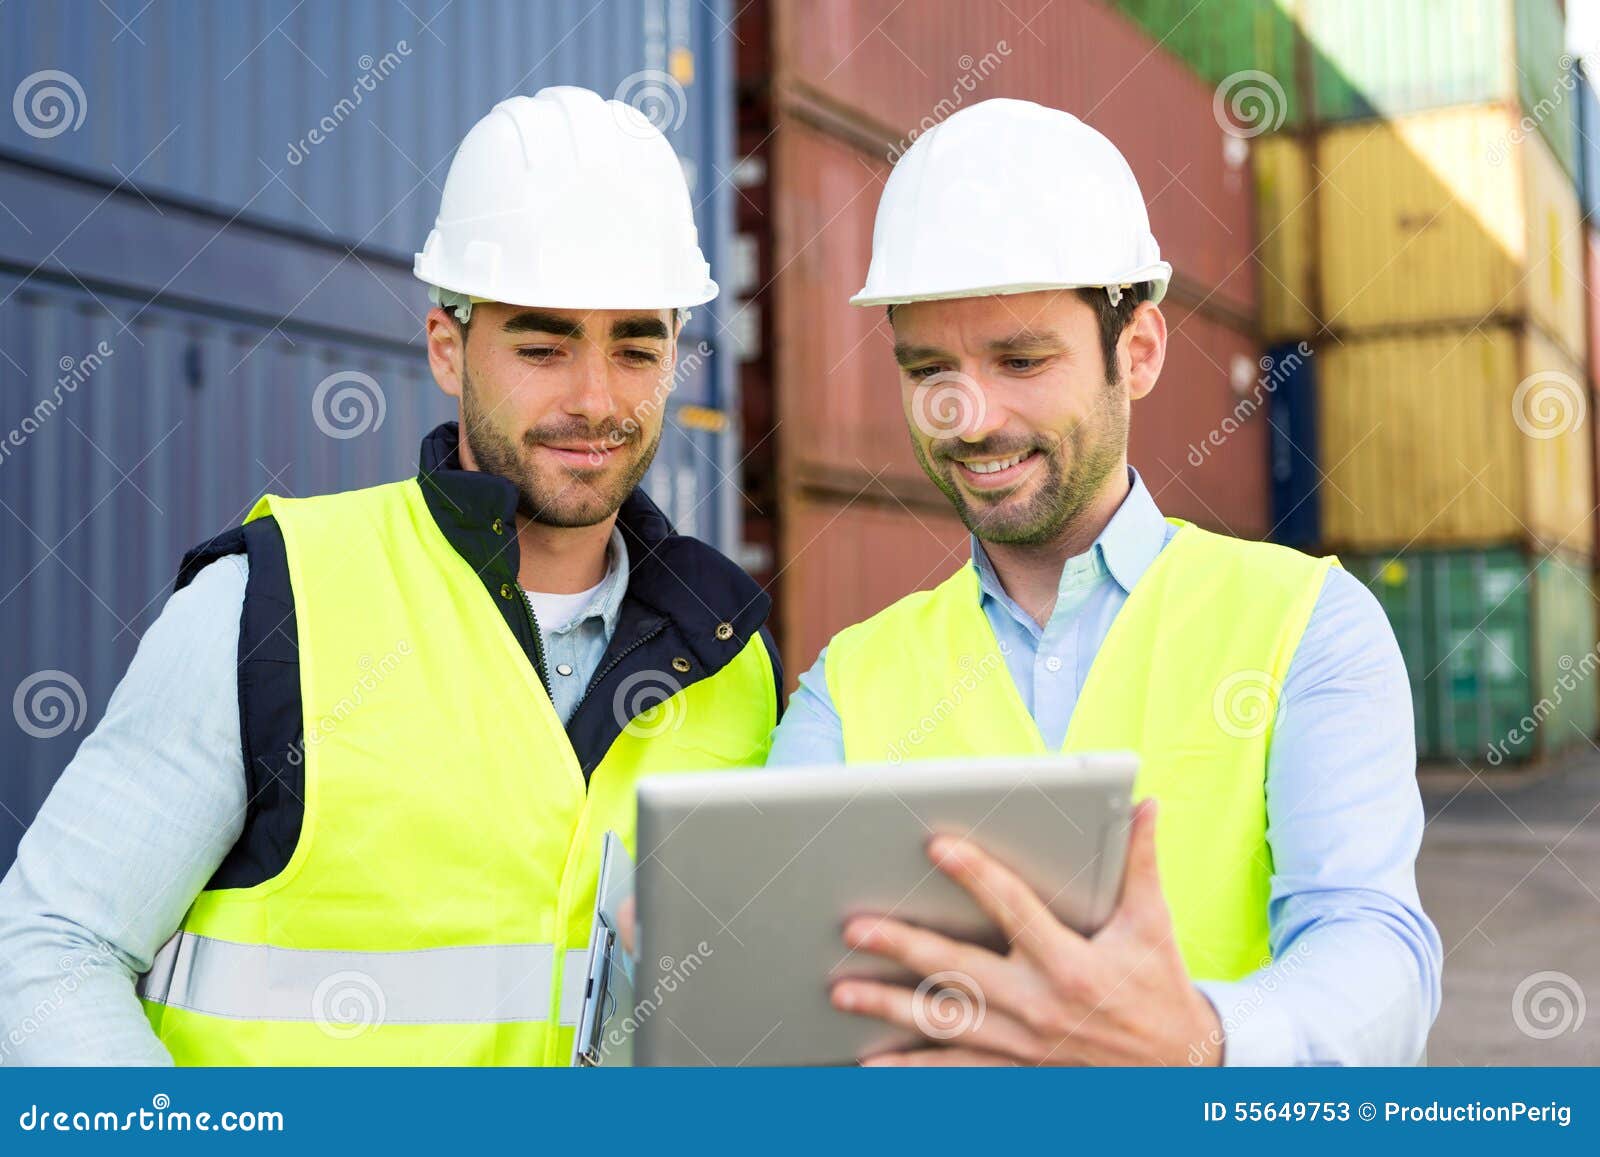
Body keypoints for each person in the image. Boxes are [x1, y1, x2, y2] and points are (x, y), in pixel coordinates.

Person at [0, 86, 781, 1066]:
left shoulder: (732, 658)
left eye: (636, 346)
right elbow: (48, 951)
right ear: (447, 350)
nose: (595, 398)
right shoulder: (269, 607)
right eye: (542, 346)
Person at [767, 97, 1441, 1066]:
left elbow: (1375, 946)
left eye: (1021, 359)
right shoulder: (850, 680)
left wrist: (1203, 1040)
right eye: (929, 368)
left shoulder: (1307, 625)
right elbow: (777, 966)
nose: (968, 415)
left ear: (1139, 350)